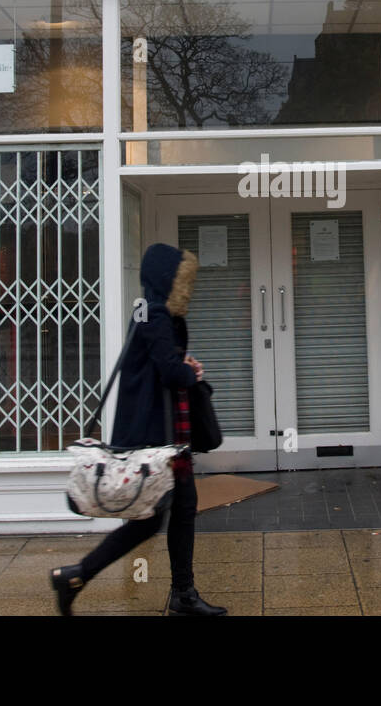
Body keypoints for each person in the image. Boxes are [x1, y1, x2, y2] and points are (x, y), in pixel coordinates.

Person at [49, 242, 227, 617]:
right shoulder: (157, 316)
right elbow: (168, 370)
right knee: (153, 519)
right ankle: (77, 575)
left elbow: (158, 362)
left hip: (160, 433)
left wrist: (180, 363)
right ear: (168, 278)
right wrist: (189, 370)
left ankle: (181, 593)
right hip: (156, 438)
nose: (188, 286)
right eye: (183, 278)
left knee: (175, 511)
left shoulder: (146, 311)